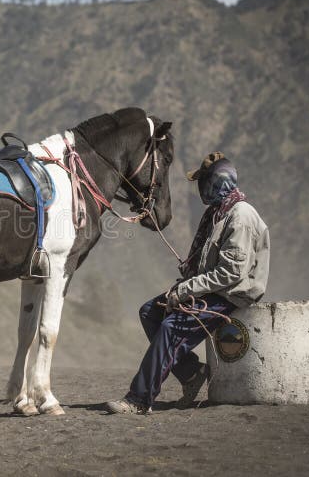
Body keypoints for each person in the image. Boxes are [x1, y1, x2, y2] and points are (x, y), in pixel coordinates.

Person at [107, 152, 270, 414]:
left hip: (230, 294)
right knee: (151, 312)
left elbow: (231, 273)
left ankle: (138, 399)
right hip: (214, 289)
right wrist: (190, 274)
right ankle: (192, 373)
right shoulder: (219, 213)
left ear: (218, 182)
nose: (200, 188)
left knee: (172, 326)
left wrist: (185, 289)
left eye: (204, 181)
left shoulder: (240, 216)